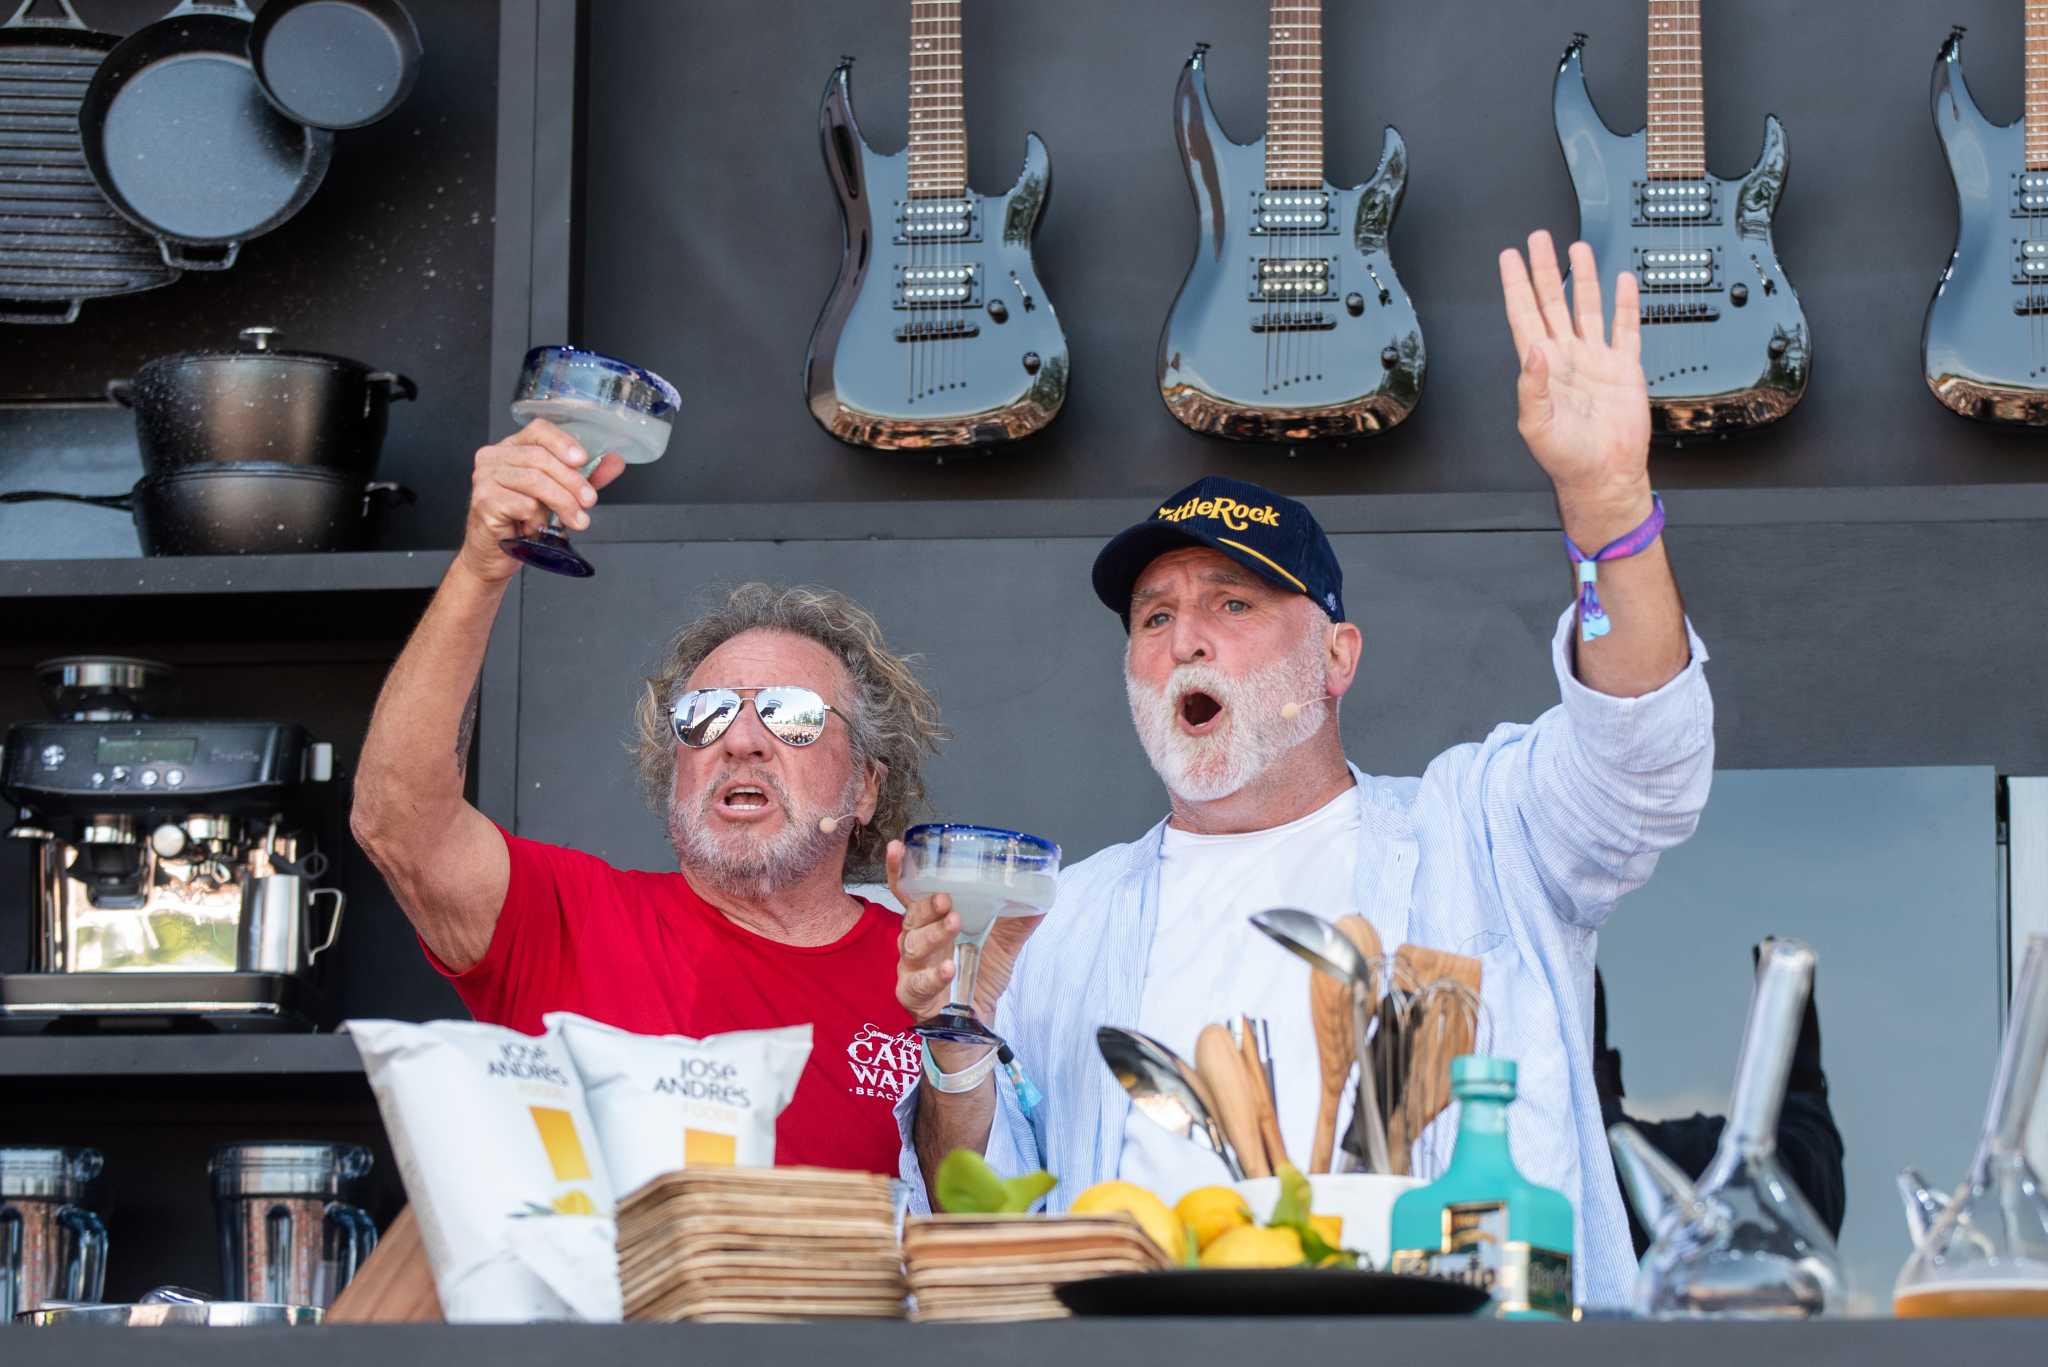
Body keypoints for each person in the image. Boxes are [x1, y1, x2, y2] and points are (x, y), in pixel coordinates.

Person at [892, 231, 1715, 1304]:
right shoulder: (1058, 921)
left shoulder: (1481, 835)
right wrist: (958, 1043)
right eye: (1155, 614)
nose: (1184, 637)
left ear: (1336, 657)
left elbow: (1641, 752)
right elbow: (978, 1221)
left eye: (1231, 603)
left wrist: (1606, 502)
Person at [351, 419, 943, 1174]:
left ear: (865, 785)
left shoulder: (927, 969)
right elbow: (395, 819)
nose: (742, 740)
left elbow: (974, 1207)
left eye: (792, 714)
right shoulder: (572, 921)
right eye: (706, 715)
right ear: (676, 765)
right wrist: (480, 567)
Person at [1593, 954, 1847, 1255]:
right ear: (1612, 1072)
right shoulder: (1680, 1170)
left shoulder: (1659, 1167)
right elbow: (1798, 1198)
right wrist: (1795, 1070)